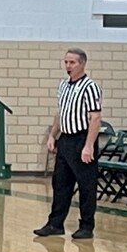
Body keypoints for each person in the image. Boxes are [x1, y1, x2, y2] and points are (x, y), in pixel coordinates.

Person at [35, 47, 103, 240]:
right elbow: (61, 113)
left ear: (82, 64)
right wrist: (52, 135)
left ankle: (86, 226)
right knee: (60, 183)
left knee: (86, 185)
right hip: (65, 139)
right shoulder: (63, 85)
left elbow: (95, 118)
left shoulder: (90, 87)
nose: (68, 66)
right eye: (66, 62)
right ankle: (55, 224)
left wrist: (88, 145)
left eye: (72, 62)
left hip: (82, 139)